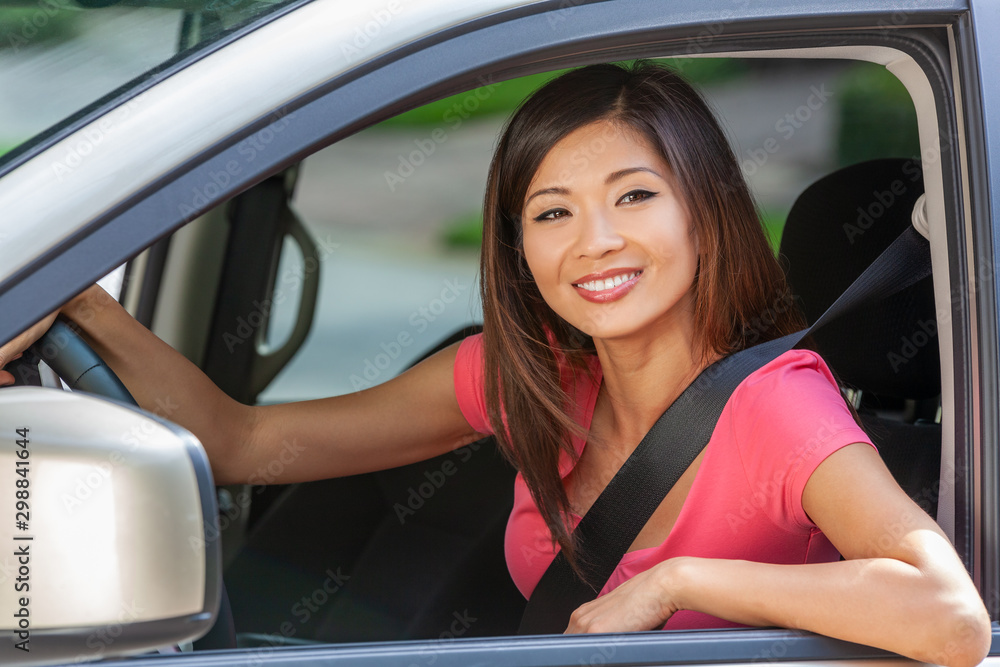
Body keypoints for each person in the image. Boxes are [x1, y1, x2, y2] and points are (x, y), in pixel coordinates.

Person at [0, 61, 991, 665]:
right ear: (517, 247)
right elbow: (241, 442)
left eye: (634, 195)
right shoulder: (523, 380)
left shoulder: (778, 410)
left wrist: (682, 578)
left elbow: (948, 619)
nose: (593, 240)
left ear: (705, 210)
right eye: (551, 213)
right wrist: (80, 299)